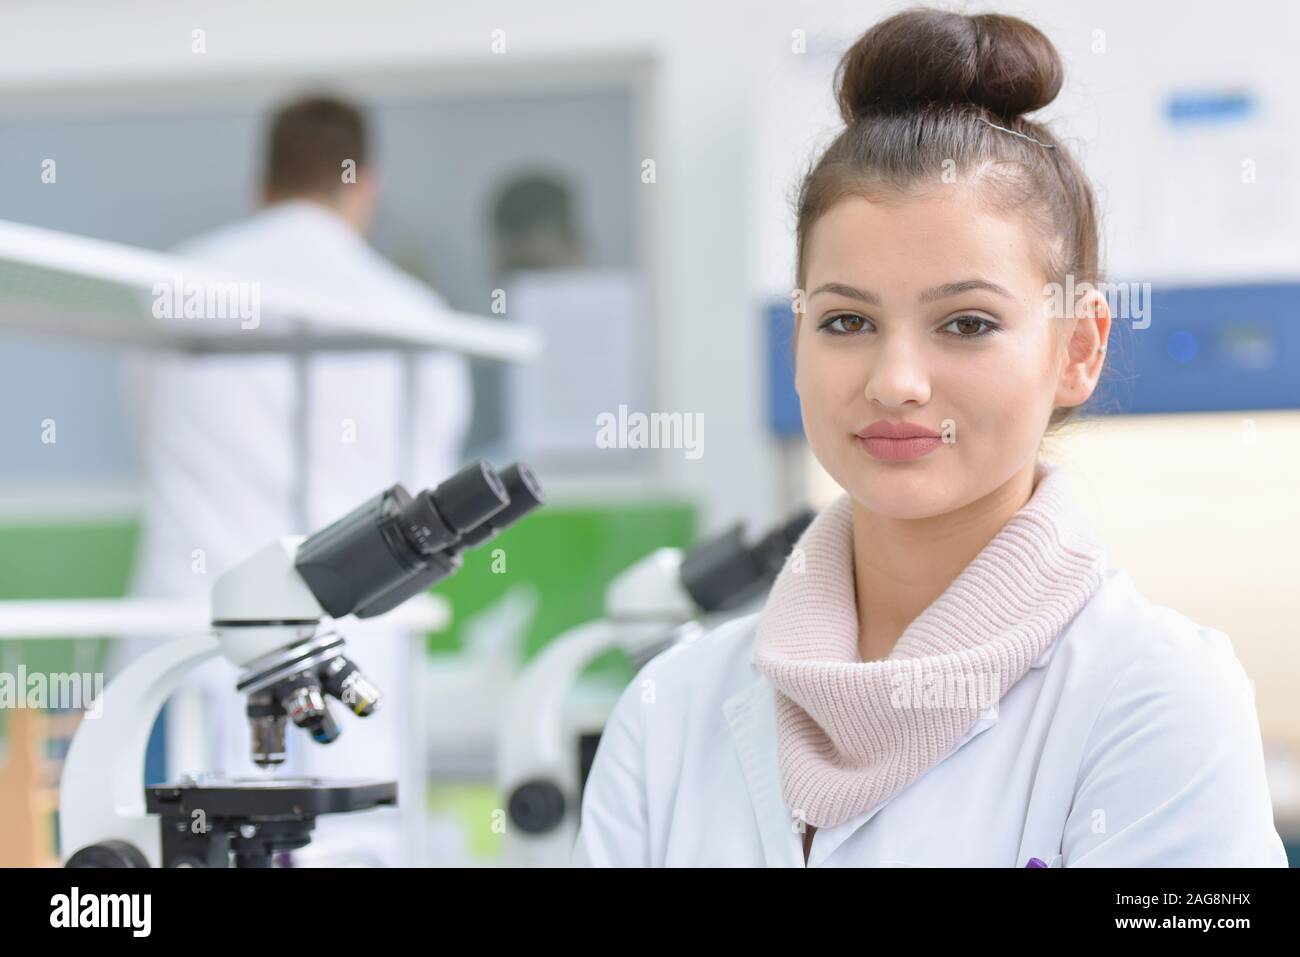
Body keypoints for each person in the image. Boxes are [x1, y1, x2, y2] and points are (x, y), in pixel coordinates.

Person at [573, 8, 1287, 867]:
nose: (896, 380)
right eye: (846, 320)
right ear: (795, 341)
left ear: (1080, 348)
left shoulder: (1160, 698)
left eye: (967, 322)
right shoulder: (671, 710)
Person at [119, 94, 473, 866]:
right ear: (365, 186)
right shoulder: (415, 315)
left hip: (190, 636)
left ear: (262, 183)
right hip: (353, 648)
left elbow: (152, 432)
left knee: (163, 850)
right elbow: (425, 505)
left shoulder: (171, 286)